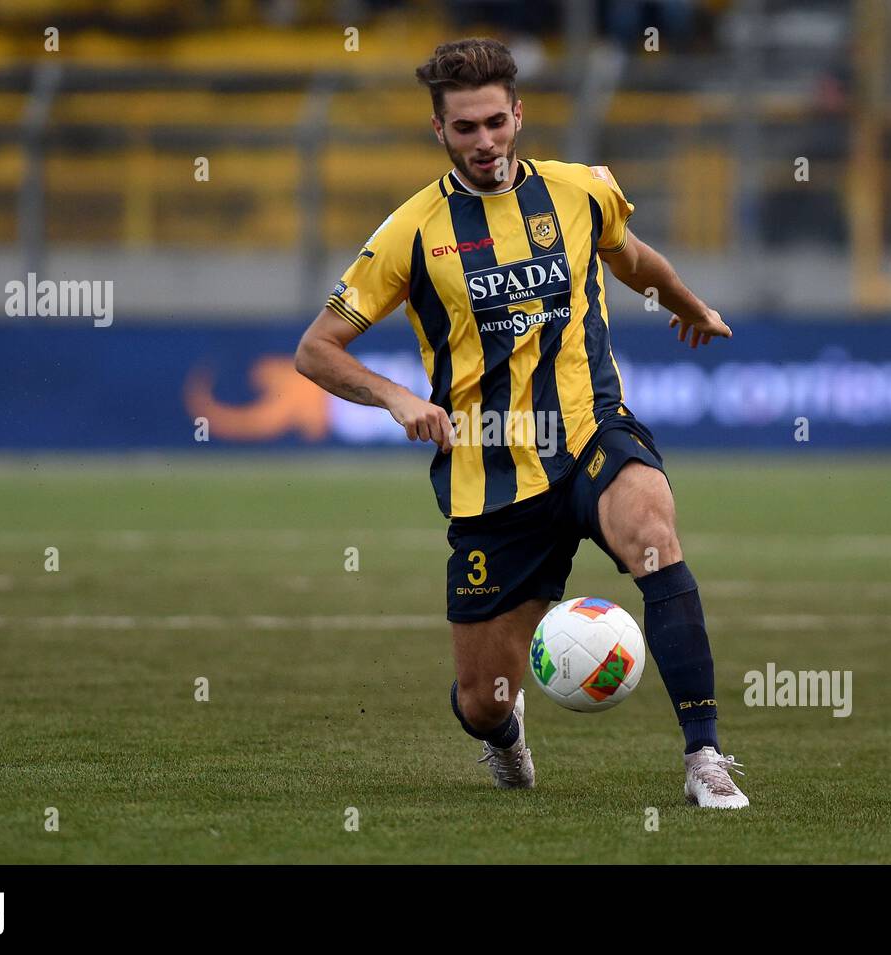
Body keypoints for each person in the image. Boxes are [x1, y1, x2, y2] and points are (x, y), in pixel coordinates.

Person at [295, 37, 747, 808]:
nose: (485, 142)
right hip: (490, 471)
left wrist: (689, 305)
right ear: (439, 130)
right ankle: (506, 735)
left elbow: (633, 259)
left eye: (496, 123)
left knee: (653, 531)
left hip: (589, 431)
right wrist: (399, 399)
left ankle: (704, 754)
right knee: (481, 699)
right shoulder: (410, 230)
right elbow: (316, 350)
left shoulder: (580, 191)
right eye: (465, 127)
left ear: (518, 115)